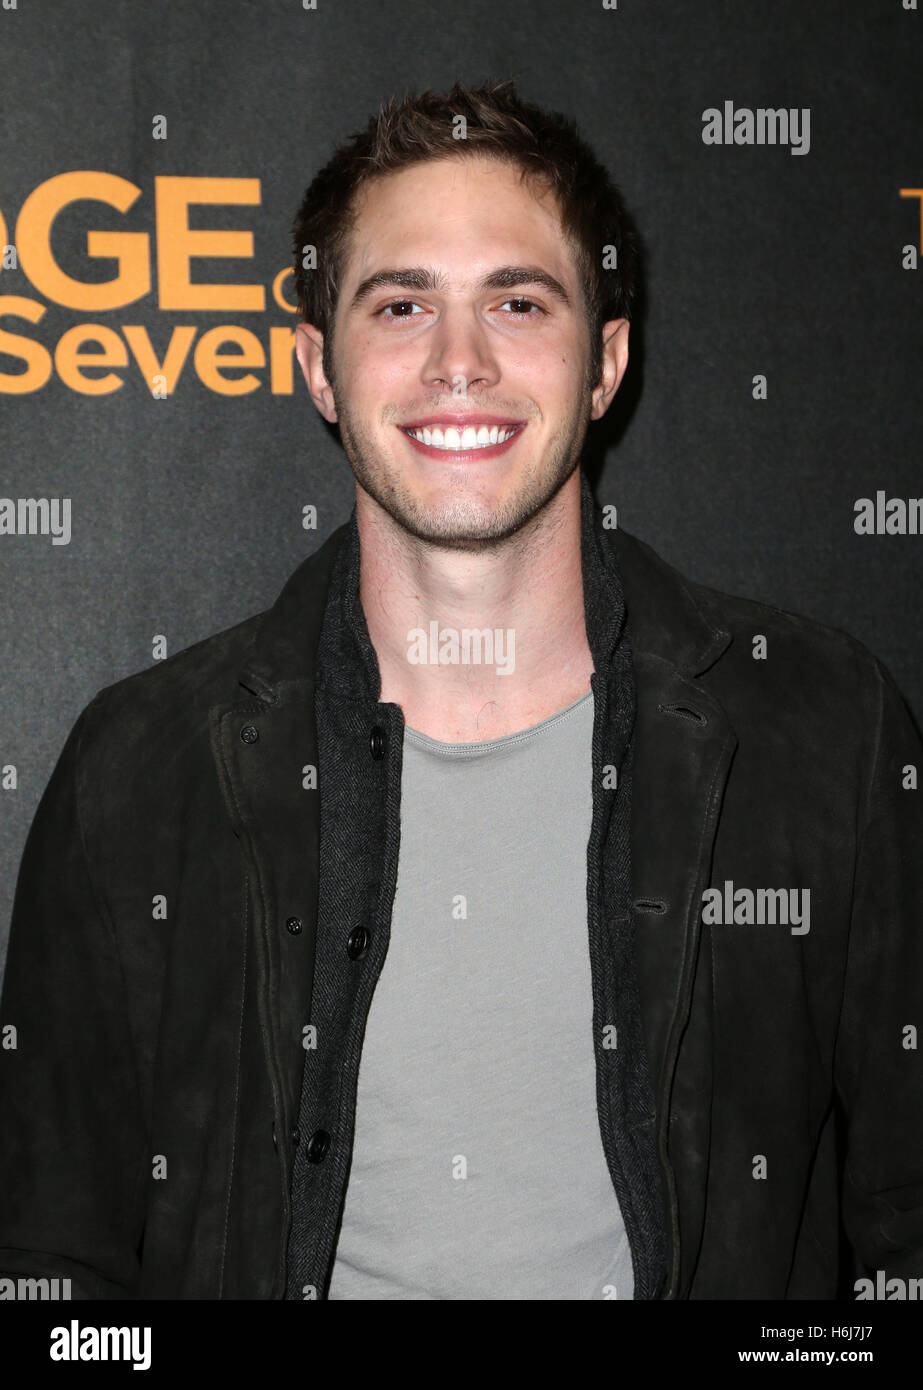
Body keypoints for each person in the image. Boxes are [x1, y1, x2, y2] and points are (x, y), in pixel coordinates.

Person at [1, 79, 921, 1302]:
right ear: (318, 369)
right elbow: (50, 1272)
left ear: (604, 361)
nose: (458, 362)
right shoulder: (140, 763)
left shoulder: (820, 728)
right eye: (399, 304)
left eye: (517, 301)